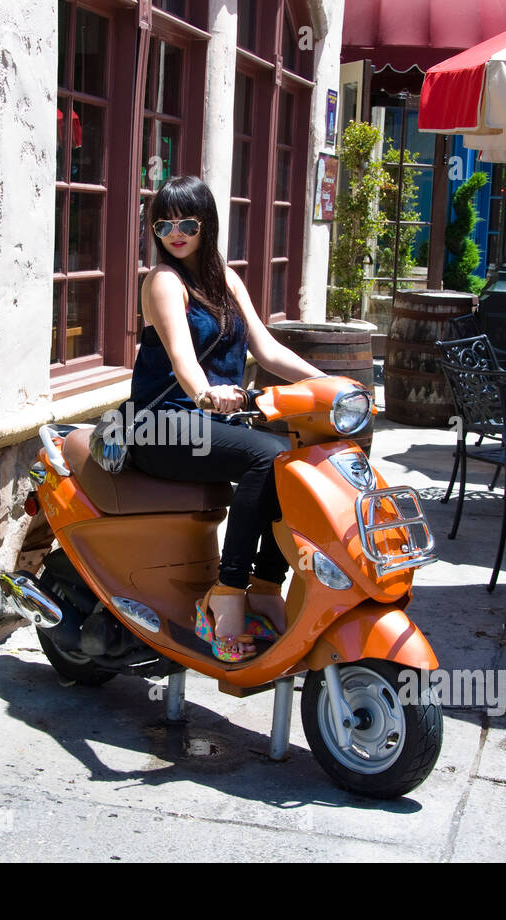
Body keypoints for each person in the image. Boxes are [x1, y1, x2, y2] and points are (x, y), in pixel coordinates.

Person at [127, 175, 322, 663]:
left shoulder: (226, 279)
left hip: (216, 423)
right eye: (163, 223)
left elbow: (267, 348)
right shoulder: (163, 281)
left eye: (187, 223)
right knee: (271, 456)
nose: (175, 232)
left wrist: (329, 385)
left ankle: (265, 586)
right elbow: (182, 359)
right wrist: (206, 395)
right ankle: (228, 590)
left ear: (206, 225)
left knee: (295, 458)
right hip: (162, 422)